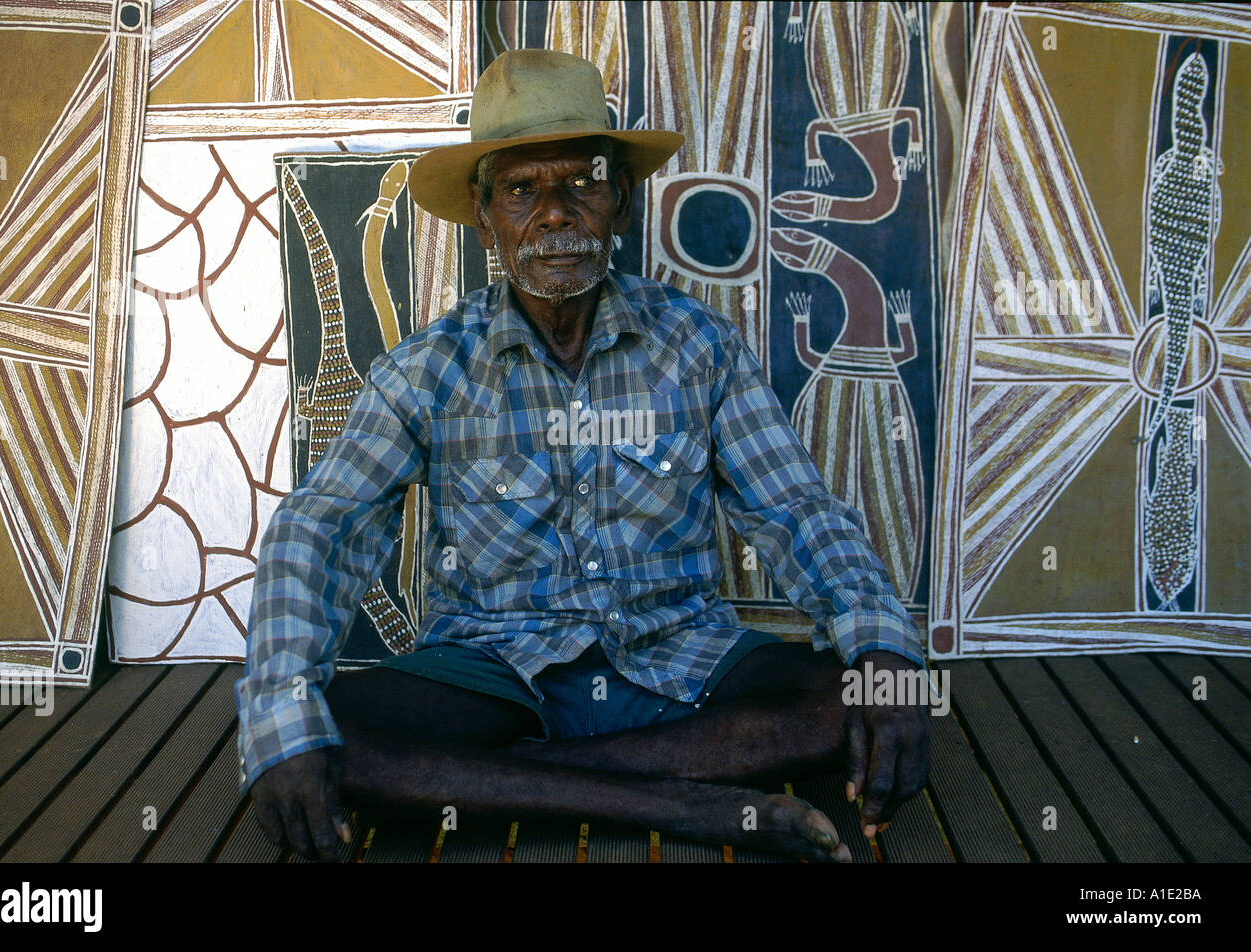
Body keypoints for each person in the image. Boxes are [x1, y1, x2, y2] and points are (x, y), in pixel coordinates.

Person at [236, 49, 929, 863]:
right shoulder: (426, 371)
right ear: (484, 212)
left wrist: (885, 647)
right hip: (493, 671)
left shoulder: (696, 347)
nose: (556, 213)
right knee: (327, 730)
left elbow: (796, 509)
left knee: (851, 694)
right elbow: (320, 526)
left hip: (677, 662)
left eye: (582, 183)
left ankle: (517, 785)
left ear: (622, 202)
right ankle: (680, 802)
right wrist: (282, 711)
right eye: (524, 190)